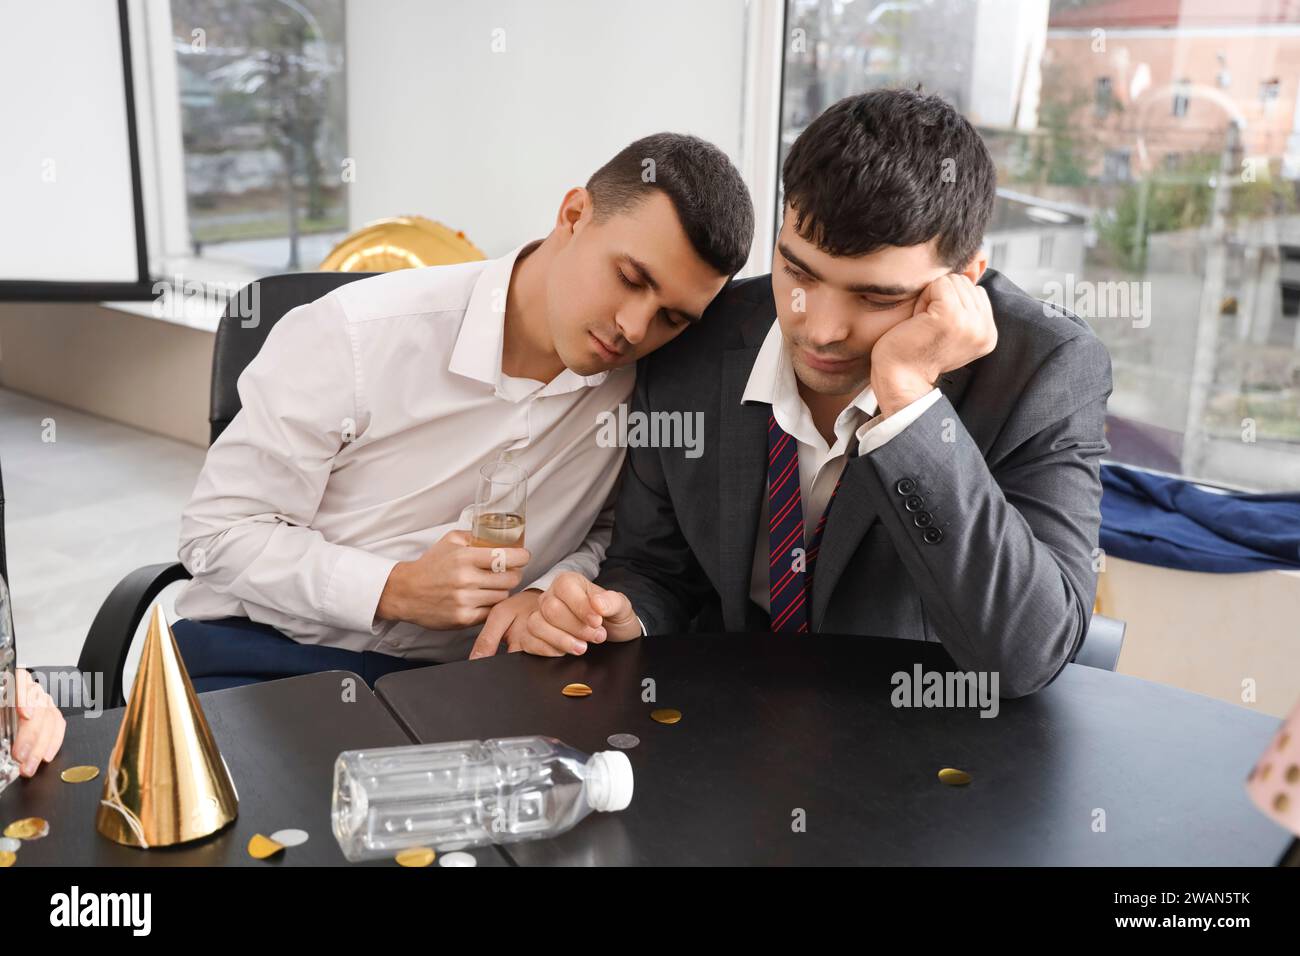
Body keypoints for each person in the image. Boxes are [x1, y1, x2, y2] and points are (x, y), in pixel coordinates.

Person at [506, 89, 1113, 699]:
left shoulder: (1044, 370)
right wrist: (622, 616)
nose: (820, 330)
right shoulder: (694, 334)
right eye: (798, 273)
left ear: (964, 281)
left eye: (875, 298)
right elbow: (655, 568)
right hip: (726, 730)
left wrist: (909, 405)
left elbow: (1027, 654)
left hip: (923, 741)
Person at [172, 133, 754, 689]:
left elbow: (610, 531)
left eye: (672, 318)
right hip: (265, 654)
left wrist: (550, 591)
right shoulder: (354, 333)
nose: (634, 327)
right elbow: (216, 534)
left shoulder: (648, 385)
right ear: (573, 214)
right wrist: (392, 589)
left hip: (475, 680)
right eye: (628, 277)